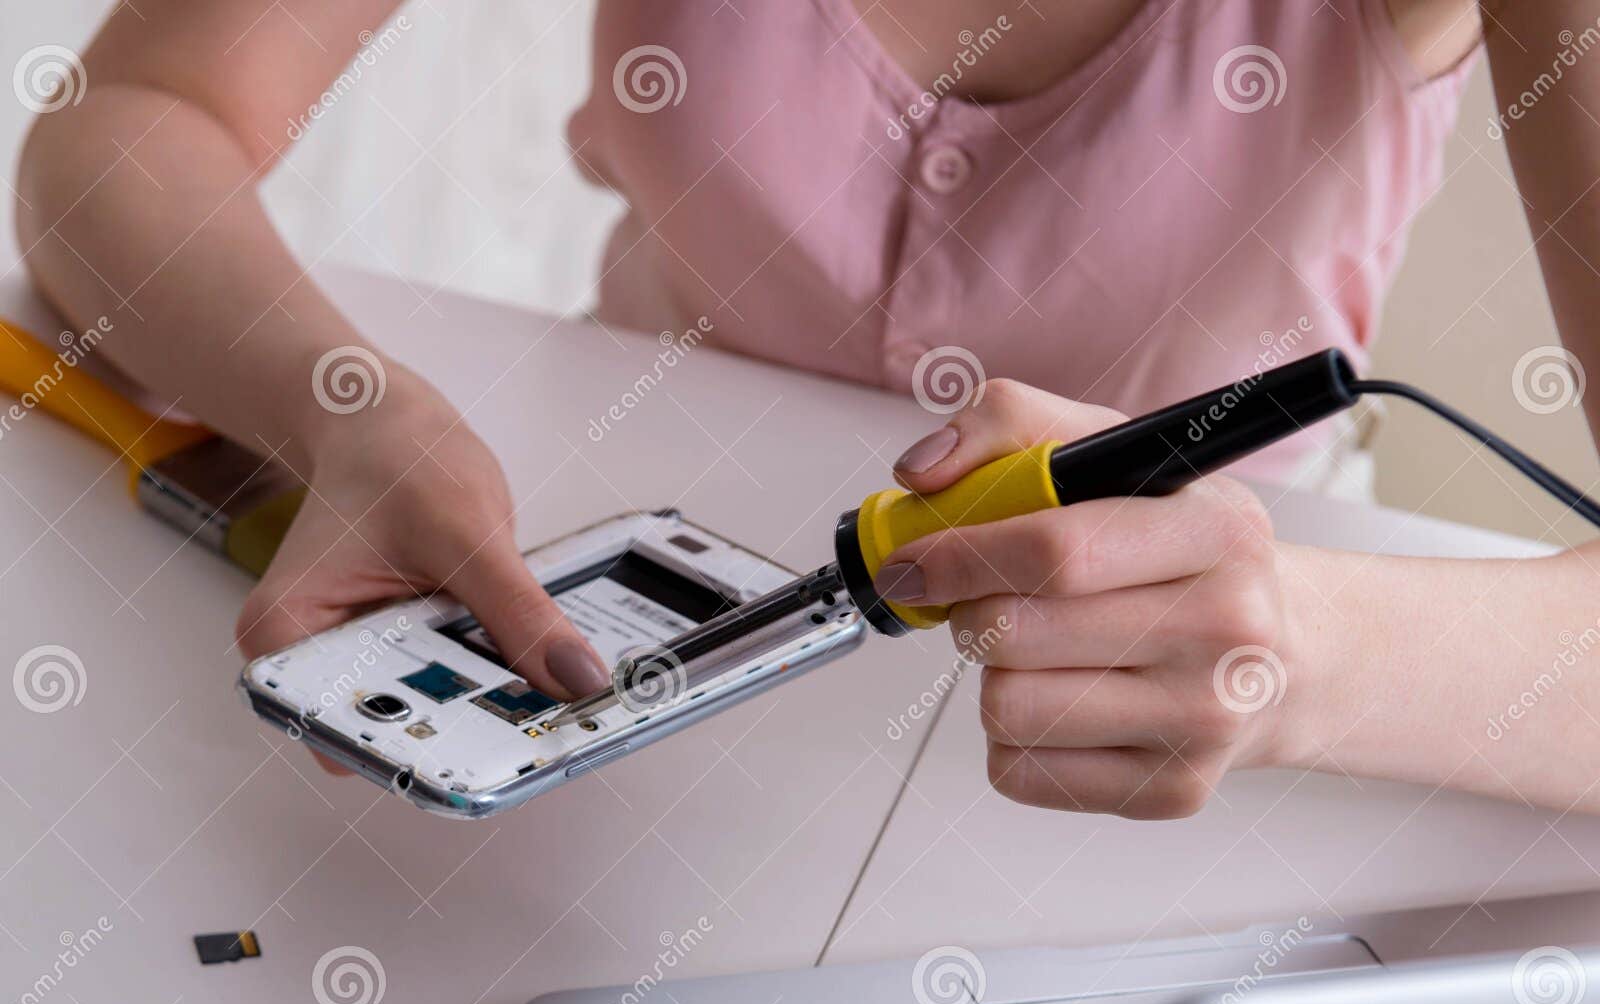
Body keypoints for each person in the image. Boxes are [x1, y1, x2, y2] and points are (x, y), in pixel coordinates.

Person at [17, 0, 1600, 818]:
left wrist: (1302, 659)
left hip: (1181, 814)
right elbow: (134, 125)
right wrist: (349, 410)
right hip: (593, 650)